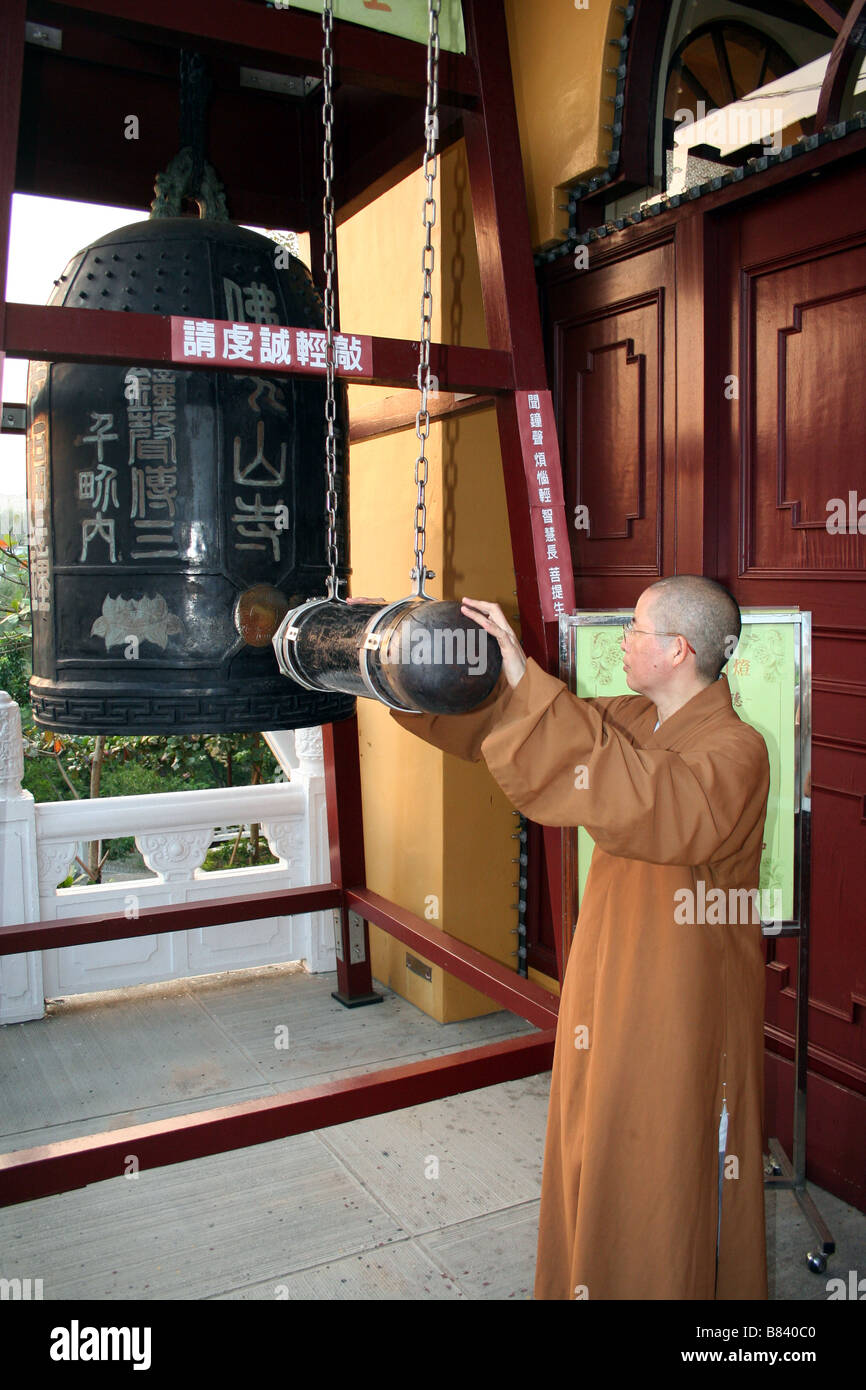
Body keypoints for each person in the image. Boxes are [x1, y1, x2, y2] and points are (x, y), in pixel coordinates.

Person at [389, 575, 771, 1300]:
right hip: (609, 969)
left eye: (635, 630)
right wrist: (411, 672)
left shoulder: (737, 750)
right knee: (596, 1140)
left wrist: (532, 688)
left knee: (662, 1155)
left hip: (679, 996)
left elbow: (657, 804)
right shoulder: (632, 718)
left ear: (677, 650)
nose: (621, 641)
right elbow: (515, 727)